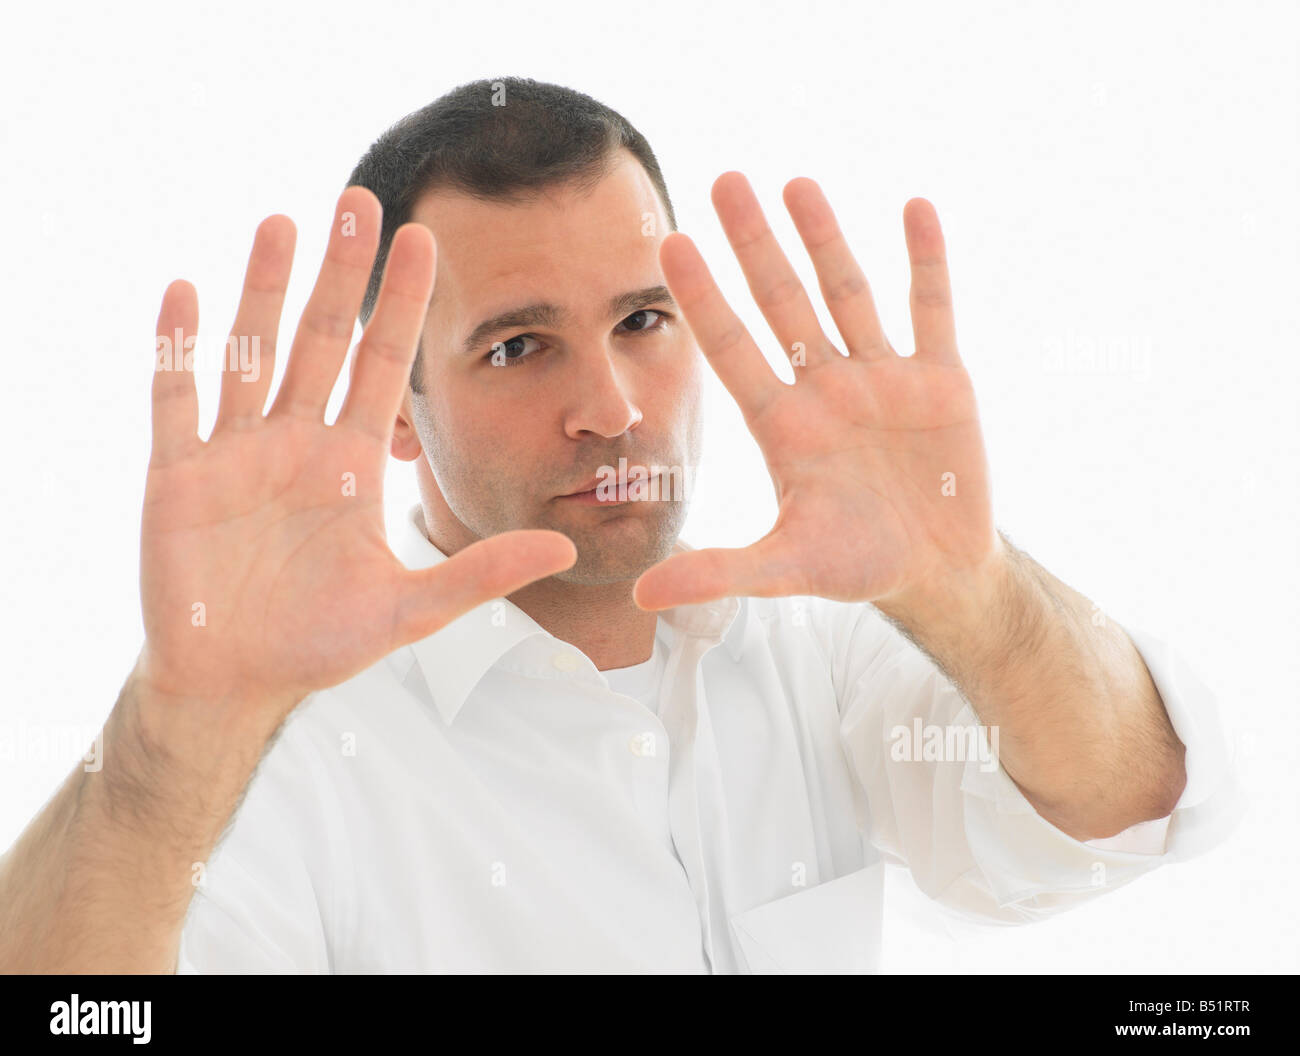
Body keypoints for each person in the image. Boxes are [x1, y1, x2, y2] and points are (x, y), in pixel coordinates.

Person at [0, 77, 1241, 974]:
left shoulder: (815, 648)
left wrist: (972, 586)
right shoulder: (288, 747)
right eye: (518, 345)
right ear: (392, 410)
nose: (611, 408)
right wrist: (177, 734)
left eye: (643, 320)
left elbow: (1130, 795)